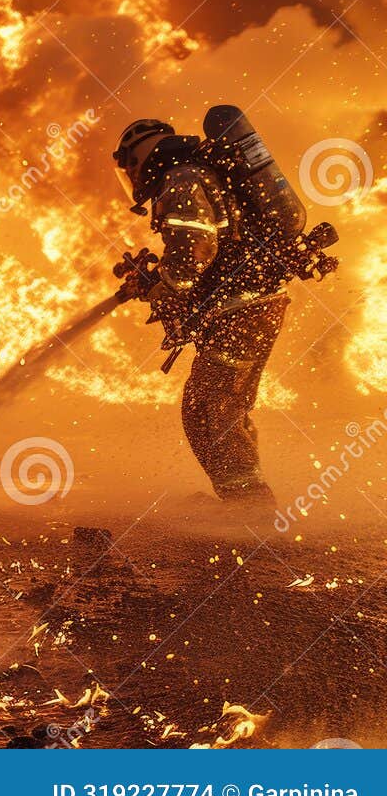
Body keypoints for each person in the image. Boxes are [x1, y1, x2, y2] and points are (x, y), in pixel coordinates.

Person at [112, 116, 290, 509]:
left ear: (140, 156)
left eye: (130, 168)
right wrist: (159, 284)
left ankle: (250, 506)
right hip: (248, 306)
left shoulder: (180, 179)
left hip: (243, 309)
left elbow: (194, 248)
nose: (132, 177)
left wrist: (166, 286)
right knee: (213, 406)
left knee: (211, 407)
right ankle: (242, 497)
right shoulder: (192, 174)